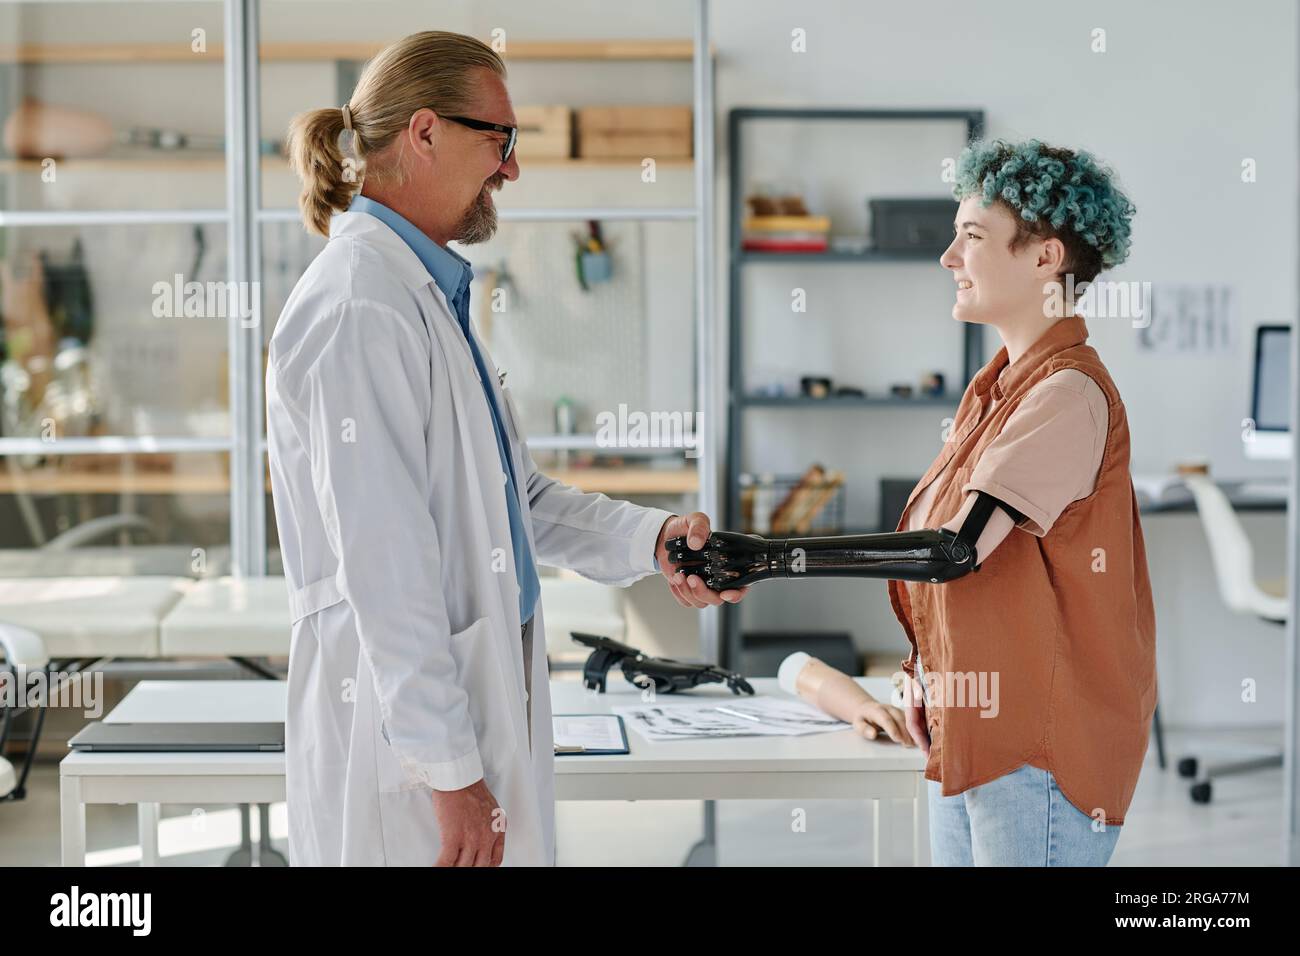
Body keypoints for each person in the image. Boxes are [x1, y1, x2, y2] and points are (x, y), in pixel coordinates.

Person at [267, 30, 745, 867]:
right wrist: (448, 773)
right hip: (403, 757)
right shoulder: (359, 308)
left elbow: (512, 503)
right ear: (424, 133)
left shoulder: (426, 297)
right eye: (501, 139)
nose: (512, 168)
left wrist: (651, 540)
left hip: (466, 717)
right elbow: (383, 566)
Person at [678, 138, 1154, 866]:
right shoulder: (996, 391)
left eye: (970, 237)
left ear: (1044, 258)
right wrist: (924, 675)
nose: (948, 258)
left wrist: (774, 556)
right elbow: (978, 580)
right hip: (977, 730)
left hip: (1039, 751)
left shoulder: (1065, 395)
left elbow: (955, 552)